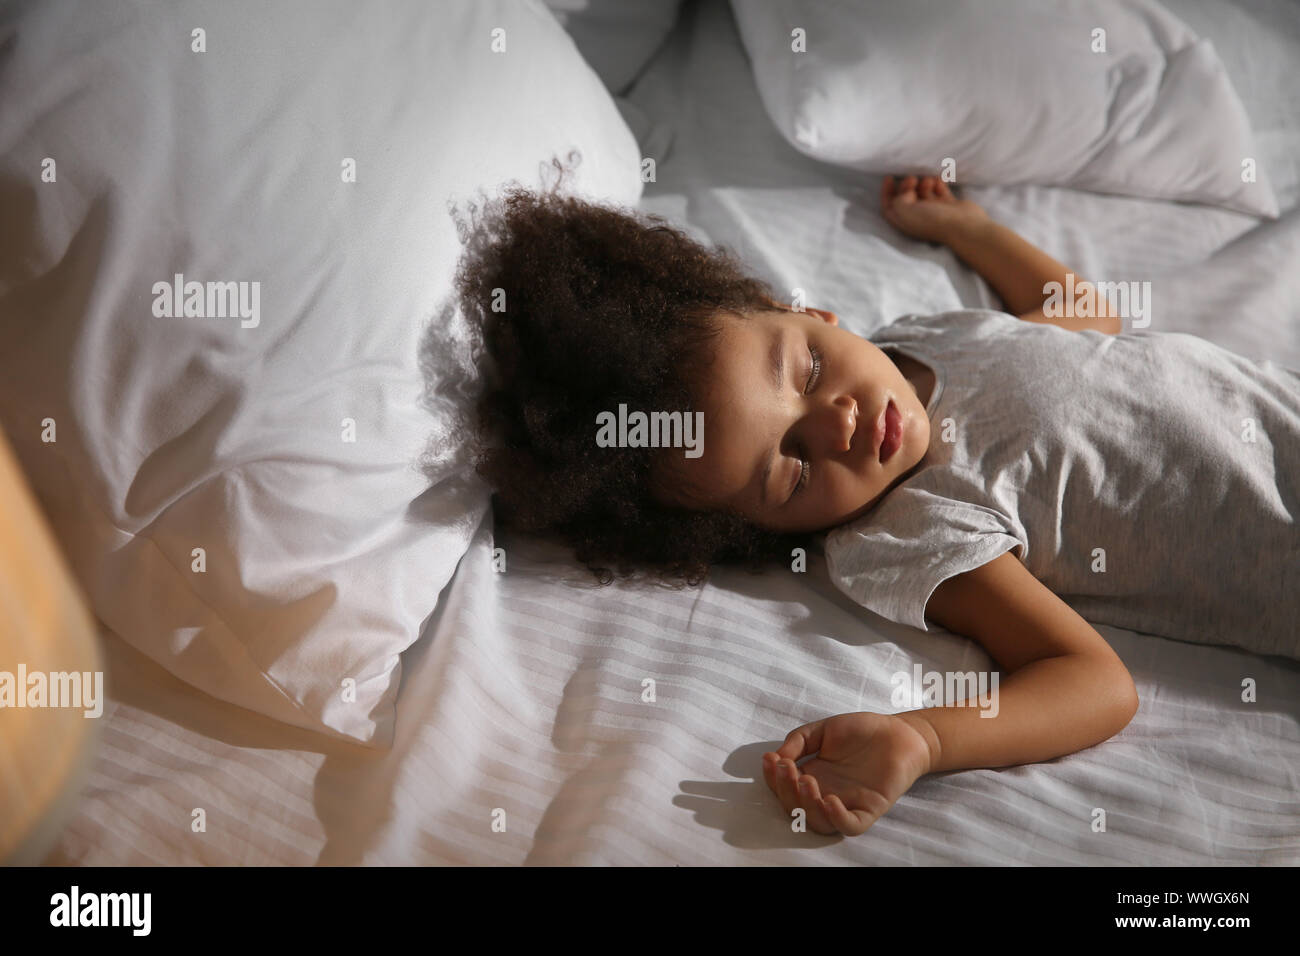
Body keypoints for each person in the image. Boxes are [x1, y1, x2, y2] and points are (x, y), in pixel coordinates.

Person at [455, 169, 1299, 837]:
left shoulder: (923, 337)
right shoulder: (905, 531)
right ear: (759, 533)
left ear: (812, 313)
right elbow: (1093, 682)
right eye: (790, 467)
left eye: (810, 371)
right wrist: (926, 739)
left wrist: (975, 233)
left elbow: (1084, 325)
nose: (839, 425)